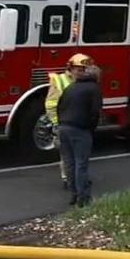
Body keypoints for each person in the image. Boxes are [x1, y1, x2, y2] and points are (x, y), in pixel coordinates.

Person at [56, 64, 103, 207]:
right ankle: (84, 197)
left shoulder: (71, 87)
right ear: (96, 76)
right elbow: (95, 112)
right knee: (81, 164)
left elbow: (59, 106)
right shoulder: (94, 89)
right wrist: (91, 129)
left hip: (63, 128)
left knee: (69, 163)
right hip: (80, 129)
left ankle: (74, 195)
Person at [45, 53, 93, 189]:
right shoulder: (60, 81)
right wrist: (55, 123)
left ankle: (77, 179)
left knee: (79, 156)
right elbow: (51, 104)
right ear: (70, 68)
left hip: (78, 123)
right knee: (66, 156)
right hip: (64, 124)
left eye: (84, 70)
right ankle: (67, 179)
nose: (82, 72)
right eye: (79, 69)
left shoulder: (82, 82)